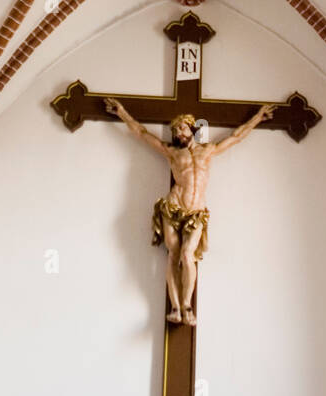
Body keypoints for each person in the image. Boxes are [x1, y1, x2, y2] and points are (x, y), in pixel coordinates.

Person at [103, 99, 276, 325]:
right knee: (173, 254)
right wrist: (122, 113)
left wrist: (258, 118)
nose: (178, 133)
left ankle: (187, 305)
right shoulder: (172, 152)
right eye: (175, 130)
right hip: (173, 207)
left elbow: (236, 137)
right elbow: (142, 133)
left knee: (187, 255)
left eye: (182, 128)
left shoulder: (208, 150)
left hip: (196, 212)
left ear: (192, 128)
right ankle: (175, 308)